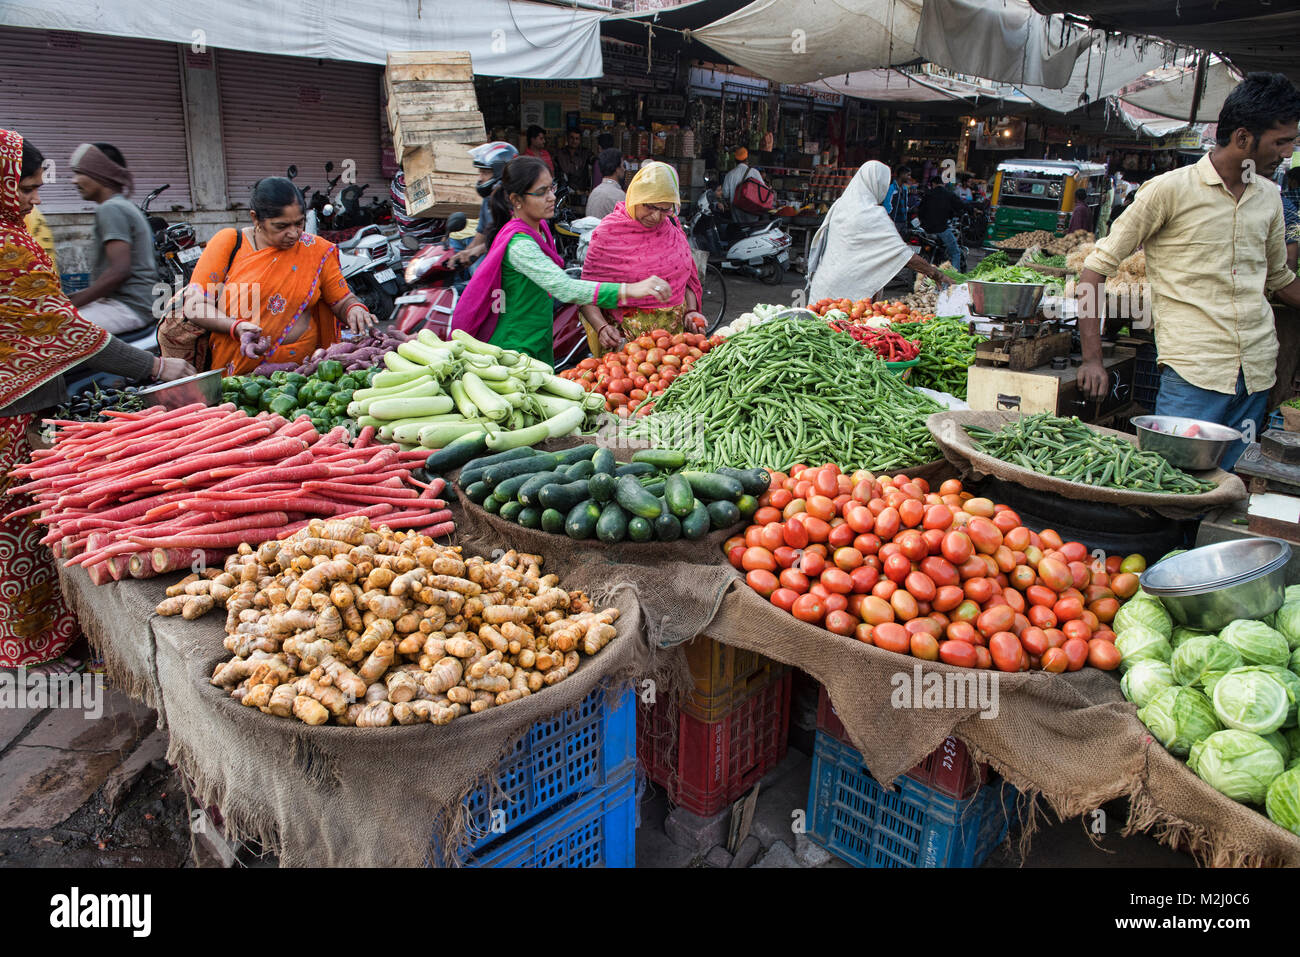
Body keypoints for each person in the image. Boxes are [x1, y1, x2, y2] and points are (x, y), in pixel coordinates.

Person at [0, 130, 192, 673]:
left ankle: (41, 637)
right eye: (27, 190)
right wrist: (155, 366)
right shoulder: (7, 245)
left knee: (21, 521)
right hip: (9, 409)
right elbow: (67, 333)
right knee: (18, 527)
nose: (37, 200)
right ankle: (34, 650)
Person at [1075, 72, 1300, 470]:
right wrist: (1092, 358)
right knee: (1173, 480)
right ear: (1244, 138)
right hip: (1194, 371)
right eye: (1281, 141)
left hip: (1256, 372)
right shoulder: (1169, 190)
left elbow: (1280, 278)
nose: (1288, 152)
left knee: (1228, 482)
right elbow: (1094, 271)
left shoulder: (1269, 198)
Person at [449, 156, 669, 366]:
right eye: (541, 192)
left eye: (551, 188)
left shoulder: (541, 229)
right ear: (516, 200)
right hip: (515, 350)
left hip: (538, 341)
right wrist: (633, 289)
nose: (552, 197)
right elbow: (564, 288)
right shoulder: (521, 246)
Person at [179, 177, 377, 376]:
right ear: (256, 218)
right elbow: (195, 306)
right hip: (239, 375)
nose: (293, 233)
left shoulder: (316, 251)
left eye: (300, 224)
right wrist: (235, 327)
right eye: (281, 226)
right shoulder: (230, 243)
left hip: (302, 372)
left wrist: (354, 309)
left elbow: (341, 300)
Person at [578, 161, 707, 355]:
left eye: (664, 210)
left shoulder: (673, 231)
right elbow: (587, 292)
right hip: (626, 348)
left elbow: (687, 279)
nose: (655, 217)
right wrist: (602, 327)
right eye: (649, 206)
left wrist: (691, 311)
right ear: (635, 197)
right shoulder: (608, 233)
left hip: (673, 346)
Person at [806, 161, 953, 303]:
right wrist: (936, 274)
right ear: (878, 183)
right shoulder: (872, 213)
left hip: (823, 287)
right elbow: (903, 254)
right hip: (847, 296)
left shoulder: (841, 205)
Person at [65, 143, 159, 335]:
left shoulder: (110, 209)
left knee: (54, 333)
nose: (74, 181)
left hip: (129, 306)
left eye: (79, 173)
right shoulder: (123, 205)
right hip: (132, 303)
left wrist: (70, 304)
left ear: (99, 174)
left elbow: (119, 271)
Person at [450, 141, 518, 273]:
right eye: (480, 172)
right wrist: (462, 255)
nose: (480, 178)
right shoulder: (488, 202)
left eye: (485, 173)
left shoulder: (516, 204)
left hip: (511, 271)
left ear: (502, 173)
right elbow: (479, 238)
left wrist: (481, 249)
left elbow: (511, 240)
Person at [916, 177, 969, 272]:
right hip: (941, 229)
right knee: (955, 253)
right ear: (942, 184)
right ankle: (954, 277)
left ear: (933, 184)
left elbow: (920, 211)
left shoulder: (928, 194)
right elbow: (961, 206)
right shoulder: (949, 194)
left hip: (925, 229)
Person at [585, 148, 626, 220]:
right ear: (617, 169)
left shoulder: (594, 192)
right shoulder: (618, 195)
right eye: (623, 166)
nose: (624, 169)